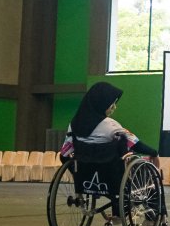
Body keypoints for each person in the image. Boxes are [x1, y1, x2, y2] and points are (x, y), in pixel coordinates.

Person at [60, 82, 159, 215]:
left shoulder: (74, 124)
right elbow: (135, 144)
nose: (114, 107)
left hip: (85, 179)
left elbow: (64, 154)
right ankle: (148, 214)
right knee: (144, 167)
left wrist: (77, 173)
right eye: (112, 104)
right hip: (111, 176)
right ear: (102, 103)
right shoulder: (110, 125)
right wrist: (154, 152)